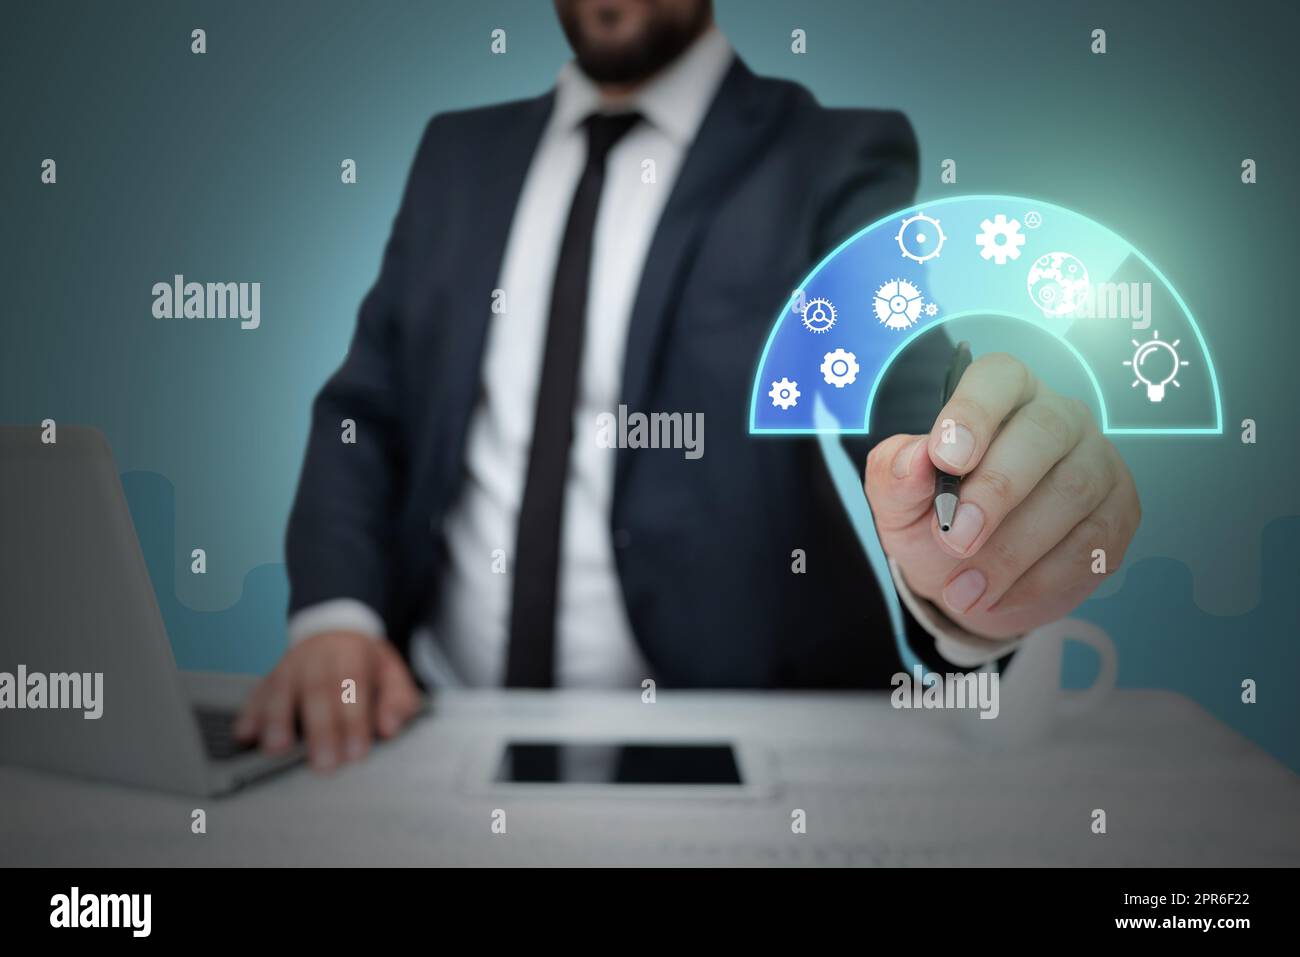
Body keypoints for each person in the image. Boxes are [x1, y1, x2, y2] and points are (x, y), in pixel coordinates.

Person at [236, 0, 1140, 771]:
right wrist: (335, 615)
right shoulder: (456, 158)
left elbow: (902, 402)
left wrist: (976, 546)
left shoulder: (822, 158)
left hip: (735, 755)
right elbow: (368, 410)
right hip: (428, 730)